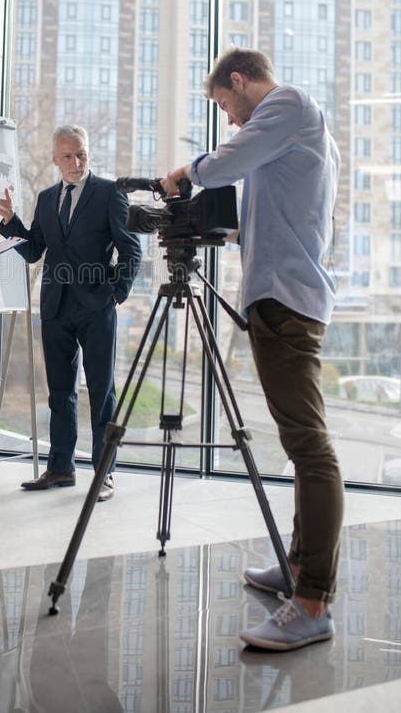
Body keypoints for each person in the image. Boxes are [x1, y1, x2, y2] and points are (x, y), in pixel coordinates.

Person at [162, 47, 344, 651]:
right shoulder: (292, 132)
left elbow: (223, 165)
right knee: (300, 445)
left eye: (225, 106)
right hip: (282, 298)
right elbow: (290, 213)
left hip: (288, 303)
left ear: (239, 82)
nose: (231, 122)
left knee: (310, 448)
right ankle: (297, 569)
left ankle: (312, 600)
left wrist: (187, 172)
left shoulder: (288, 104)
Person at [0, 124, 141, 502]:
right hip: (55, 306)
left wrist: (116, 294)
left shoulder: (109, 193)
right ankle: (61, 468)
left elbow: (131, 249)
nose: (76, 162)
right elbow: (35, 249)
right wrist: (10, 223)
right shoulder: (45, 198)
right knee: (60, 392)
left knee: (102, 392)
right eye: (68, 156)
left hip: (96, 307)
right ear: (55, 159)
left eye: (82, 153)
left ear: (88, 153)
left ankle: (105, 474)